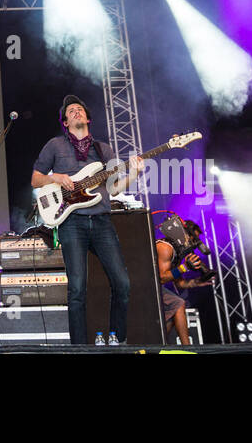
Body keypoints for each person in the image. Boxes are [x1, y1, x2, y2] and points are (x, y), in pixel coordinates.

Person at [31, 94, 142, 344]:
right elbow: (36, 179)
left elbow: (113, 190)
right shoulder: (55, 145)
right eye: (70, 111)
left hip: (102, 220)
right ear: (65, 122)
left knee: (122, 283)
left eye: (79, 109)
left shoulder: (104, 150)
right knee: (77, 289)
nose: (76, 112)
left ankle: (117, 340)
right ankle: (79, 347)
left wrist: (134, 172)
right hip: (72, 222)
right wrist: (56, 178)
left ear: (88, 118)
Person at [154, 214, 213, 345]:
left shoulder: (177, 252)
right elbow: (161, 278)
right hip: (144, 284)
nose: (193, 242)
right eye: (192, 238)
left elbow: (179, 283)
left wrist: (196, 282)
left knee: (172, 315)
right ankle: (188, 348)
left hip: (153, 287)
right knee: (178, 303)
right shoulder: (165, 248)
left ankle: (158, 343)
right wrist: (184, 267)